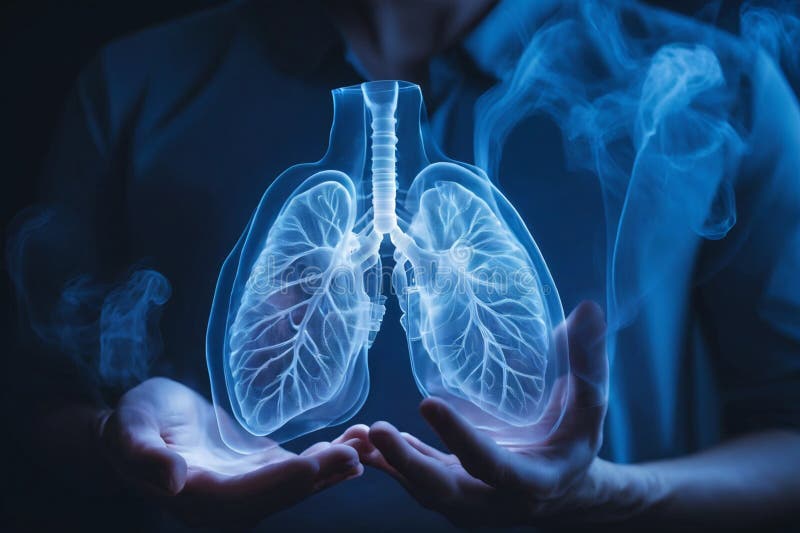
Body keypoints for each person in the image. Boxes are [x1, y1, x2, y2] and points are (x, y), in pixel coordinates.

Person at [8, 0, 799, 529]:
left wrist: (613, 496)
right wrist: (118, 441)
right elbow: (27, 412)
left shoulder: (712, 87)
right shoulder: (137, 86)